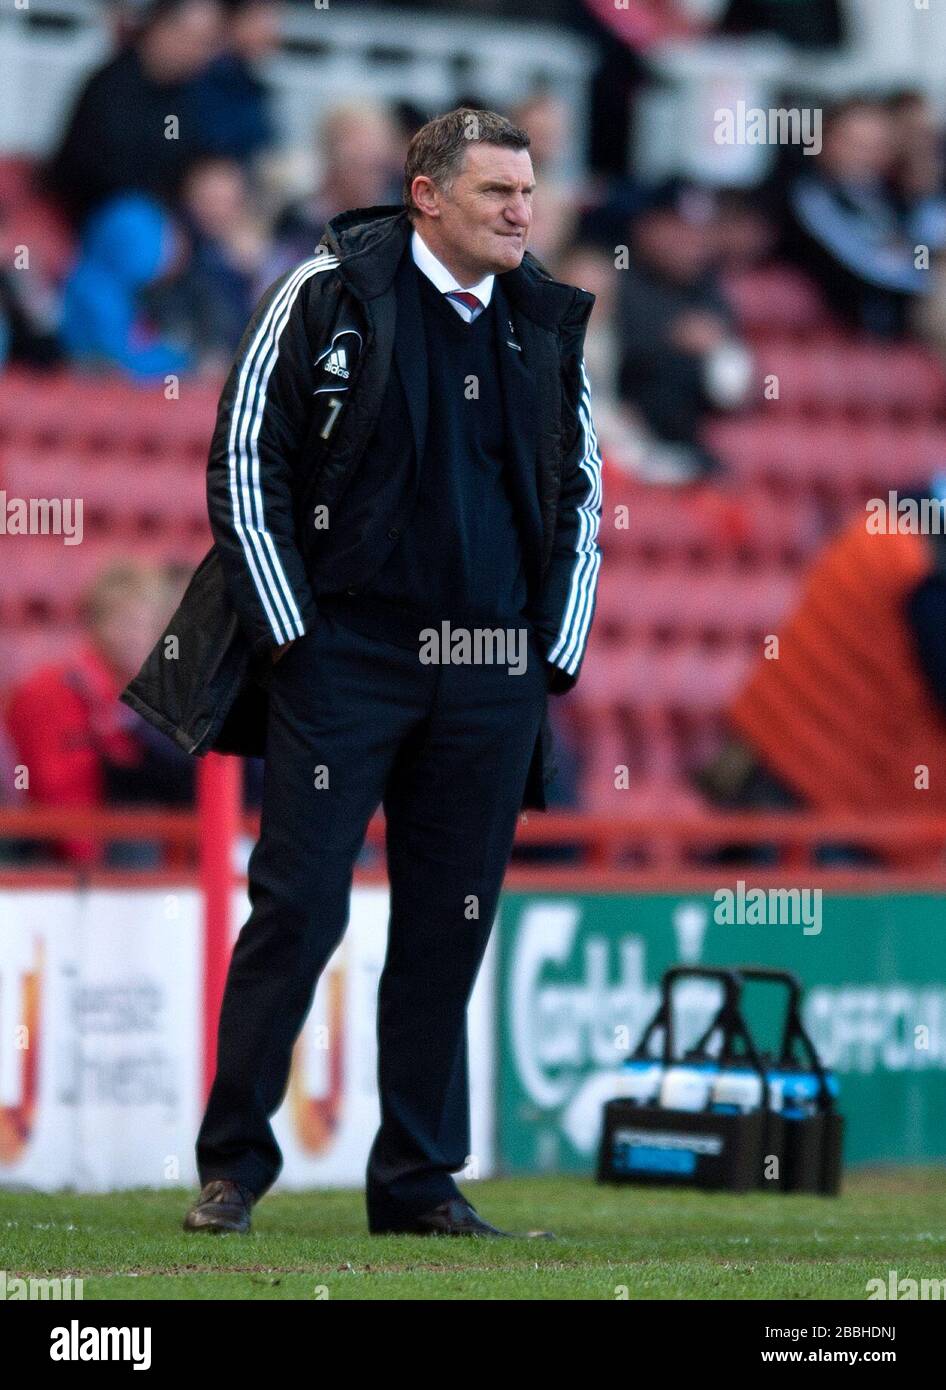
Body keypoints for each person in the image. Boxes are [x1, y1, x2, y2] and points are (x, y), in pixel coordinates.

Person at [122, 106, 602, 1237]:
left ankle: (419, 1184)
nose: (522, 213)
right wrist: (293, 633)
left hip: (489, 667)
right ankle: (233, 1165)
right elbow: (247, 455)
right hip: (346, 655)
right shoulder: (323, 291)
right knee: (297, 907)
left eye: (527, 192)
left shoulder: (545, 322)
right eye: (497, 193)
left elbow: (582, 490)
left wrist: (550, 655)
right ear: (426, 195)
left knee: (452, 918)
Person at [699, 487, 946, 869]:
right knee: (792, 923)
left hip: (778, 764)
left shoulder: (898, 527)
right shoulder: (925, 573)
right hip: (829, 806)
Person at [4, 564, 196, 867]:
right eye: (131, 622)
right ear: (101, 622)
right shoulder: (53, 689)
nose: (142, 636)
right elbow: (59, 794)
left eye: (150, 624)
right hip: (65, 860)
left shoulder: (143, 695)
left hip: (130, 859)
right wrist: (96, 875)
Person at [44, 0, 223, 229]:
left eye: (208, 45)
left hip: (156, 212)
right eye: (197, 41)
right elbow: (94, 173)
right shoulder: (112, 86)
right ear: (161, 28)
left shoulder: (184, 96)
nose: (202, 54)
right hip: (95, 214)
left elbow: (186, 156)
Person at [785, 98, 941, 338]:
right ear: (825, 139)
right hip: (871, 308)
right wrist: (928, 274)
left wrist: (921, 190)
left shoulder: (890, 195)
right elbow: (863, 263)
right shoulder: (813, 194)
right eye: (854, 143)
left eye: (875, 146)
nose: (864, 156)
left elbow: (931, 235)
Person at [59, 193, 194, 381]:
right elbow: (122, 363)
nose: (175, 250)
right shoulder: (95, 292)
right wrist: (186, 365)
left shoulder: (132, 291)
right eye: (166, 241)